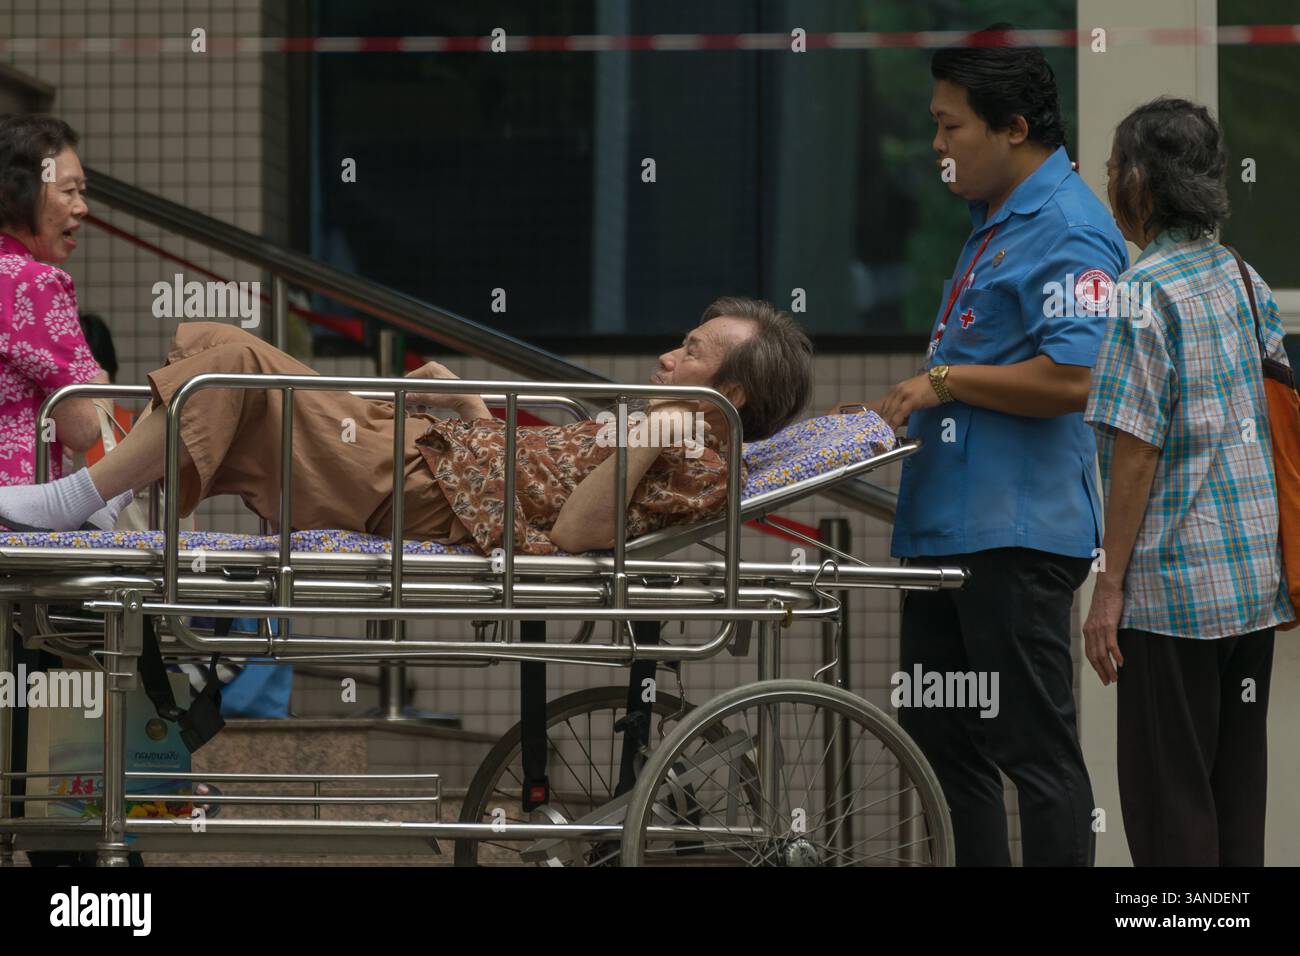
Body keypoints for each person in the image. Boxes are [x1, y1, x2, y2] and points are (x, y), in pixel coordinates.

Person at [834, 28, 1128, 866]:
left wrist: (948, 383)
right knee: (943, 747)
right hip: (947, 535)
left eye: (949, 125)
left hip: (1015, 538)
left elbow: (1077, 378)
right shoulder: (992, 220)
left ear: (1013, 128)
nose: (936, 144)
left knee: (1034, 756)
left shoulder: (1071, 227)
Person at [0, 296, 814, 552]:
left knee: (233, 366)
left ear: (732, 397)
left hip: (418, 489)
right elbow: (538, 469)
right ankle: (107, 503)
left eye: (693, 352)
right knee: (218, 348)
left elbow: (574, 533)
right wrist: (472, 410)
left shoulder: (697, 459)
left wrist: (645, 432)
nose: (669, 359)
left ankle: (86, 498)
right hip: (424, 458)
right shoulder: (661, 428)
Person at [1082, 98, 1287, 866]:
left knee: (1171, 812)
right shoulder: (1245, 277)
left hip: (1170, 597)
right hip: (1249, 587)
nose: (1108, 184)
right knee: (1236, 799)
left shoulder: (1141, 293)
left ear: (1140, 180)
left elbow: (1134, 454)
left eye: (1111, 169)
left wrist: (1108, 589)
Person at [0, 114, 131, 528]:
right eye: (69, 191)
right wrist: (101, 380)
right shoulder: (32, 282)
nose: (82, 207)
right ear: (21, 193)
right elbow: (83, 427)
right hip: (16, 515)